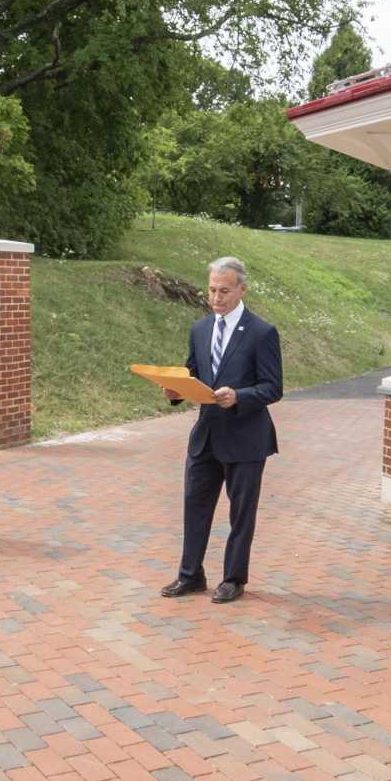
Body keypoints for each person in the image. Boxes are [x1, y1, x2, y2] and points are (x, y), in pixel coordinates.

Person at [160, 256, 284, 604]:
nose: (217, 297)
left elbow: (273, 387)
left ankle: (233, 579)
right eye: (212, 290)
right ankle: (191, 575)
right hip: (206, 437)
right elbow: (193, 374)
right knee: (194, 506)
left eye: (225, 291)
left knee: (240, 514)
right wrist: (176, 391)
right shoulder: (199, 329)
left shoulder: (262, 332)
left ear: (242, 289)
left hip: (247, 439)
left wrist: (239, 396)